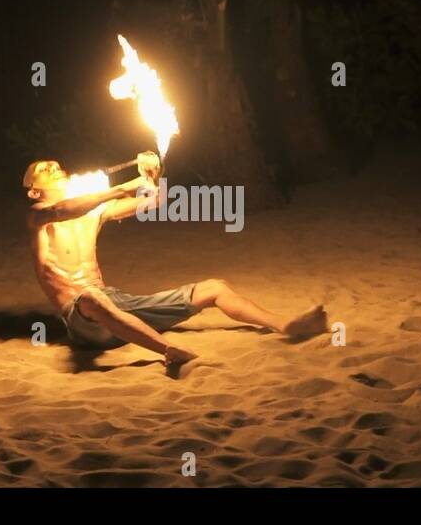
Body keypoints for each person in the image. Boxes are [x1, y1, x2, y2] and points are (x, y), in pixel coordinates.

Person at [23, 153, 328, 368]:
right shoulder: (39, 216)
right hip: (84, 322)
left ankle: (285, 325)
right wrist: (118, 188)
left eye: (56, 166)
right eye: (44, 170)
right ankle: (168, 350)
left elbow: (155, 200)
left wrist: (153, 176)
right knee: (91, 298)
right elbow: (62, 210)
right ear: (34, 191)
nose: (54, 167)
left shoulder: (94, 210)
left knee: (214, 288)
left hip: (115, 305)